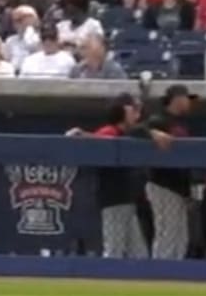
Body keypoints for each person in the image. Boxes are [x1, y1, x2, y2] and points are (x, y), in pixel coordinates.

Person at [66, 93, 172, 259]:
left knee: (139, 255)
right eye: (133, 109)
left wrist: (152, 133)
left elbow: (140, 130)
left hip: (128, 200)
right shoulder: (110, 130)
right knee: (114, 250)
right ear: (122, 110)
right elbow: (97, 141)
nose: (137, 113)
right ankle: (103, 283)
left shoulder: (134, 131)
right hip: (113, 199)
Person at [145, 84, 197, 260]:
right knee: (166, 231)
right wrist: (153, 133)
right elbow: (138, 130)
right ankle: (158, 273)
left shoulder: (183, 123)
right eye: (186, 99)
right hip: (161, 183)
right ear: (177, 99)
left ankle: (176, 273)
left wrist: (188, 191)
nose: (189, 103)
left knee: (180, 235)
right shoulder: (159, 119)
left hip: (179, 186)